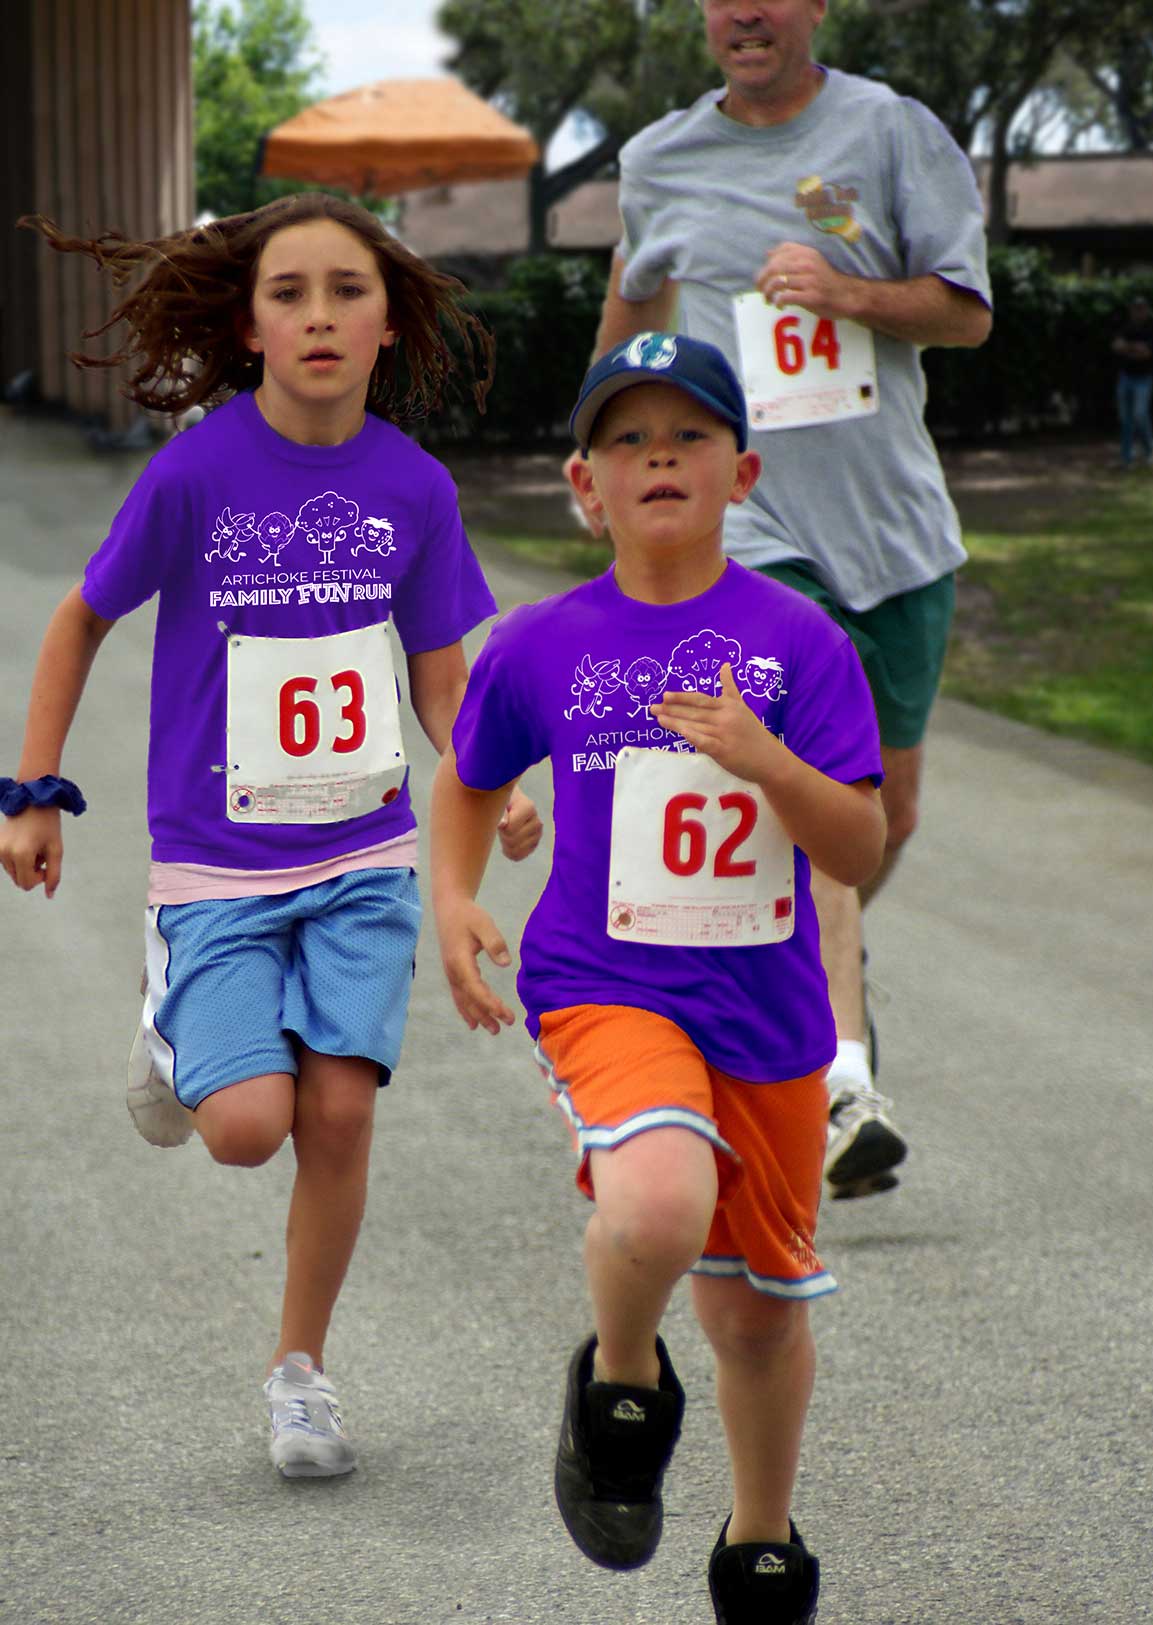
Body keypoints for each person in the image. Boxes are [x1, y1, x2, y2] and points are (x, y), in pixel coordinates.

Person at [0, 193, 540, 1478]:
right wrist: (30, 787)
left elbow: (439, 676)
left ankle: (300, 1372)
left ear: (386, 320)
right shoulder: (194, 471)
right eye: (288, 292)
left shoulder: (412, 486)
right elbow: (81, 618)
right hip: (216, 865)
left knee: (339, 1113)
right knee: (248, 1125)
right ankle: (175, 1020)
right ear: (246, 326)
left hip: (363, 859)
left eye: (347, 291)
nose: (318, 316)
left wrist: (490, 775)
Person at [431, 331, 887, 1624]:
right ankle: (622, 1379)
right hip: (604, 987)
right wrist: (455, 900)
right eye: (627, 440)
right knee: (654, 1207)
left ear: (742, 472)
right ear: (586, 485)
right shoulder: (544, 645)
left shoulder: (799, 646)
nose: (659, 459)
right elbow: (469, 778)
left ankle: (759, 1542)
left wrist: (768, 763)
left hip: (767, 1017)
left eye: (687, 436)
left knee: (753, 1314)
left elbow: (854, 842)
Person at [568, 0, 992, 1201]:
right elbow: (635, 307)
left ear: (816, 6)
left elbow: (964, 309)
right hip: (749, 526)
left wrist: (848, 293)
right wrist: (595, 448)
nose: (744, 11)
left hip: (896, 535)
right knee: (819, 778)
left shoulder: (892, 131)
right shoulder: (658, 159)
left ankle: (796, 985)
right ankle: (836, 1078)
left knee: (882, 816)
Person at [1112, 296, 1153, 469]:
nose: (1139, 312)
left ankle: (1149, 449)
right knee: (1126, 419)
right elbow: (1116, 346)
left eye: (1142, 308)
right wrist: (1135, 348)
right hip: (1126, 377)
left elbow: (1147, 353)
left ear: (1146, 310)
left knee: (1139, 415)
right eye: (1135, 308)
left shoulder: (1152, 328)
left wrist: (1127, 348)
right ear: (1131, 311)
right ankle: (1126, 457)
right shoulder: (1125, 328)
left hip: (1144, 379)